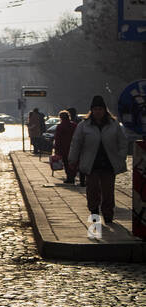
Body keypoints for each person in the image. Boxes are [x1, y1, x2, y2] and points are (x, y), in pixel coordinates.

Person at [67, 95, 130, 224]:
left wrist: (121, 156)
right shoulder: (84, 126)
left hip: (109, 164)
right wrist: (72, 159)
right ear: (92, 110)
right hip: (92, 164)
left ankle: (108, 215)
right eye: (95, 109)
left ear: (104, 110)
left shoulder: (113, 125)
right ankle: (94, 211)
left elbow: (123, 142)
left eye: (100, 109)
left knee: (108, 192)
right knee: (92, 190)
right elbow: (76, 143)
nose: (98, 112)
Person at [53, 110, 77, 184]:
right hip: (74, 147)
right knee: (74, 162)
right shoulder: (74, 125)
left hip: (64, 148)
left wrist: (56, 149)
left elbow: (58, 139)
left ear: (61, 118)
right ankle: (73, 176)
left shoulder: (60, 126)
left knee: (66, 163)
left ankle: (69, 178)